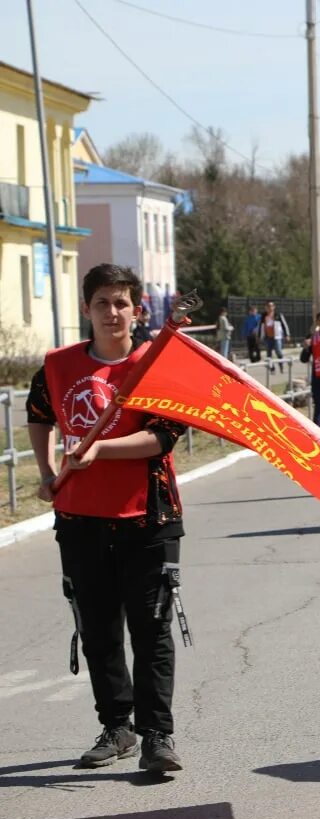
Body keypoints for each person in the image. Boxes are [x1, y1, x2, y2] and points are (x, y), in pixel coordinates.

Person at [26, 263, 189, 774]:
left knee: (151, 630)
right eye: (102, 302)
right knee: (97, 631)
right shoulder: (59, 365)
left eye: (122, 303)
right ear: (87, 309)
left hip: (149, 518)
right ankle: (117, 727)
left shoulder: (156, 364)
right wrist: (46, 471)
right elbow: (38, 413)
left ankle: (157, 735)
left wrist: (102, 449)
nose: (112, 312)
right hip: (80, 518)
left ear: (137, 311)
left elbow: (163, 436)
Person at [258, 301, 290, 371]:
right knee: (268, 353)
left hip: (277, 336)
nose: (270, 308)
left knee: (278, 351)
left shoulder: (278, 315)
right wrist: (260, 336)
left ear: (274, 307)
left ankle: (281, 364)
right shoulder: (263, 316)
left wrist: (287, 335)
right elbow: (260, 326)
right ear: (266, 308)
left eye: (271, 306)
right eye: (268, 306)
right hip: (268, 337)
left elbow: (284, 325)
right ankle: (272, 368)